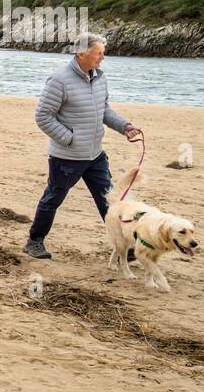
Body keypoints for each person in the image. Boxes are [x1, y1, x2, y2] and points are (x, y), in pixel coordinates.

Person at [25, 32, 141, 259]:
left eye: (103, 53)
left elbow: (104, 110)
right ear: (81, 54)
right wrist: (70, 139)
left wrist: (125, 127)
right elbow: (43, 116)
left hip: (95, 155)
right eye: (98, 53)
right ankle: (34, 241)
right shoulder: (59, 80)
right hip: (66, 158)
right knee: (53, 199)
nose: (102, 58)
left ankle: (124, 248)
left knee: (110, 201)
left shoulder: (99, 76)